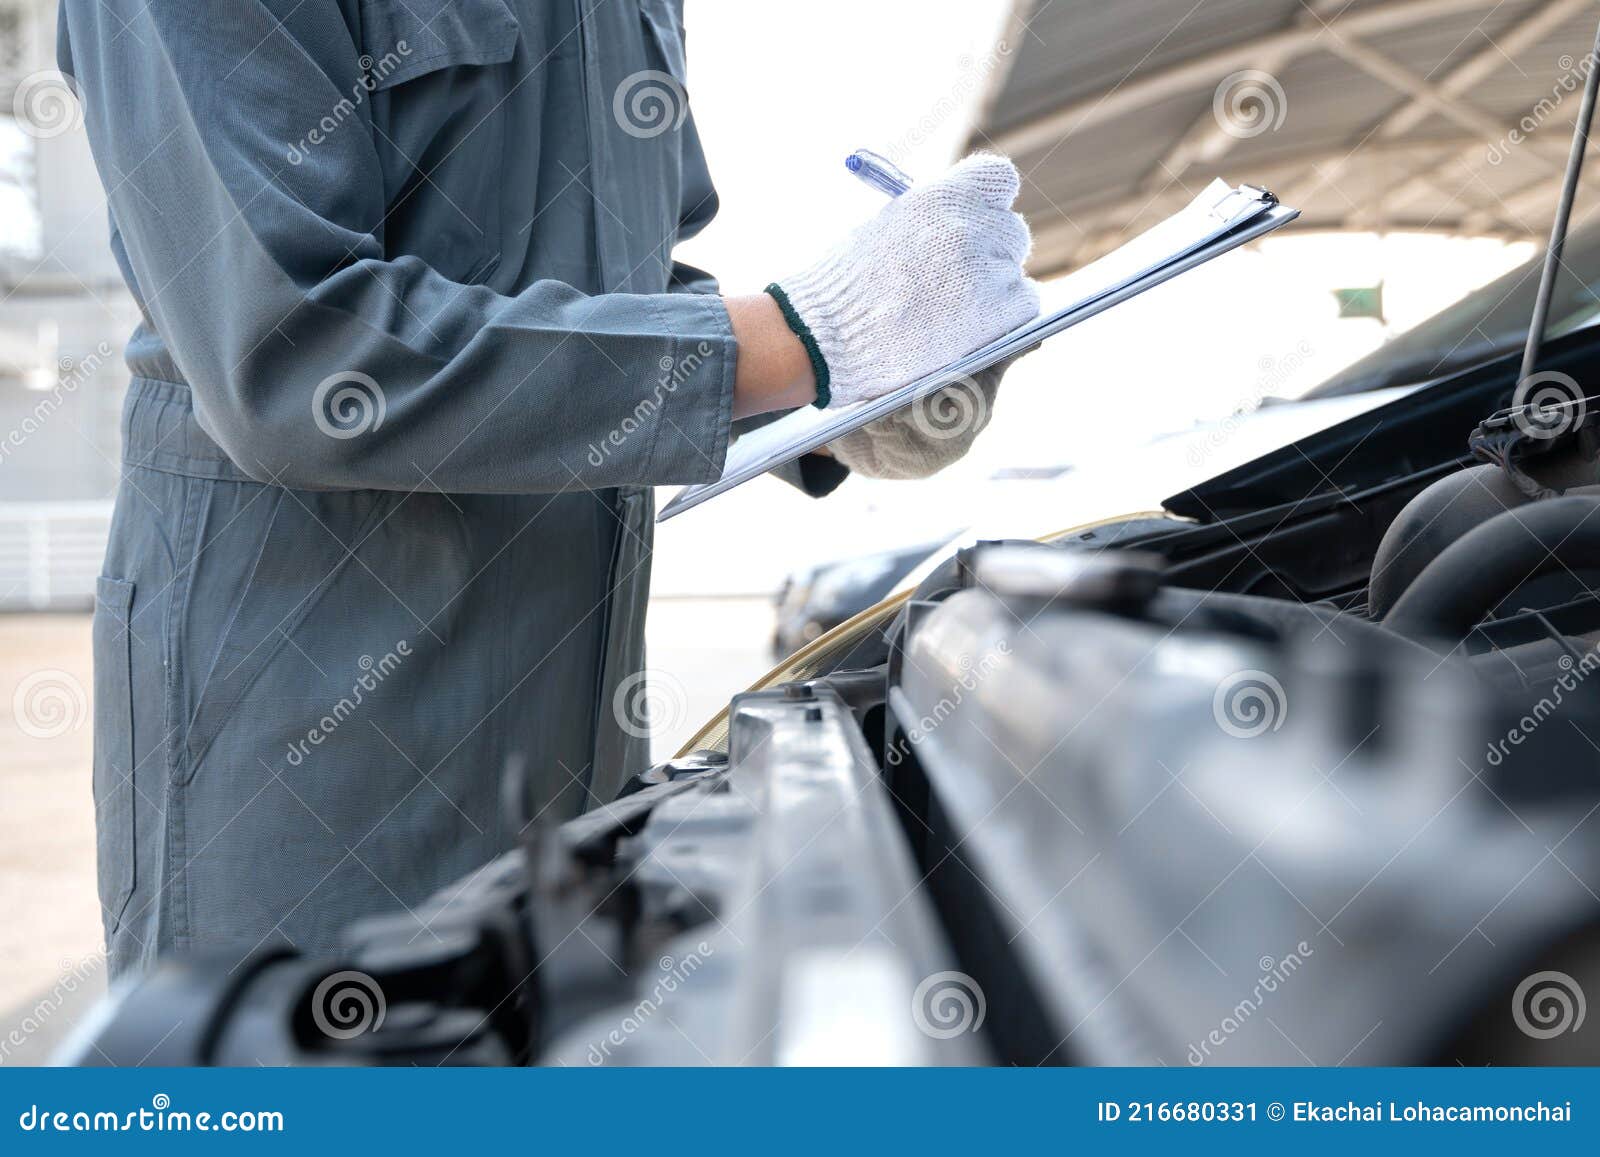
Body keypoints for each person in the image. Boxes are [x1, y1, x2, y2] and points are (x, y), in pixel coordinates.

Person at [59, 0, 1038, 977]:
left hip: (579, 772)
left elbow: (602, 286)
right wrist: (797, 342)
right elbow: (294, 349)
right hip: (310, 768)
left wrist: (839, 394)